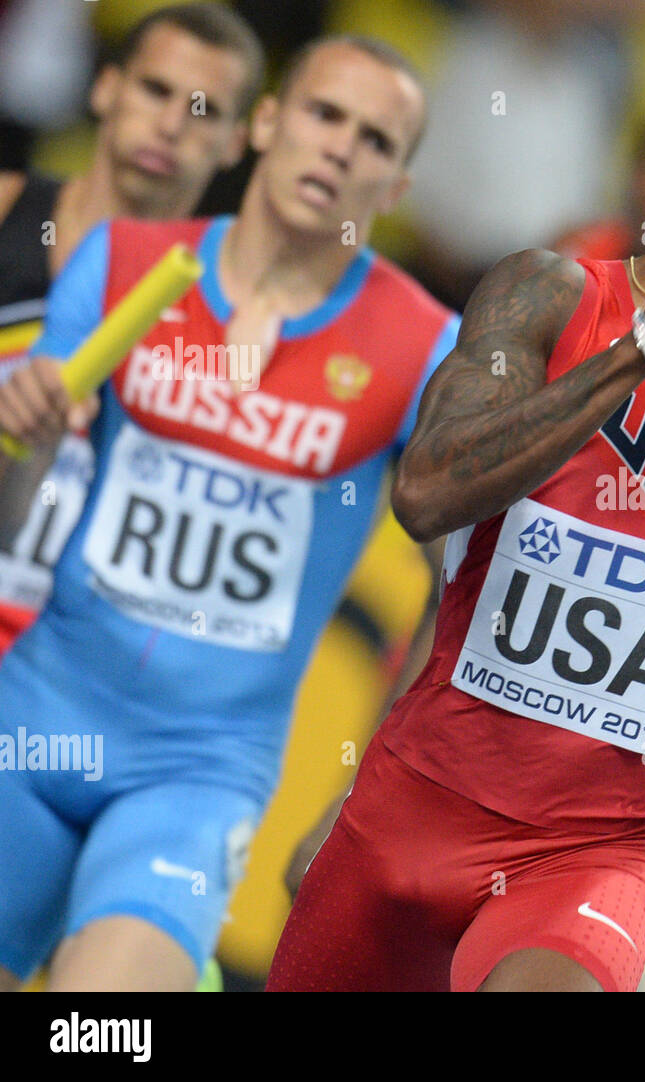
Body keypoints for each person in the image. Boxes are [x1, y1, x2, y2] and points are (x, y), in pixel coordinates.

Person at [269, 53, 645, 993]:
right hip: (421, 796)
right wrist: (644, 350)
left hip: (611, 842)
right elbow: (427, 496)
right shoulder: (548, 297)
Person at [0, 34, 458, 992]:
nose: (339, 148)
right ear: (264, 123)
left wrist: (368, 791)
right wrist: (23, 439)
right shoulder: (127, 262)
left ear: (398, 186)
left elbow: (462, 582)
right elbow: (13, 517)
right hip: (34, 717)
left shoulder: (422, 345)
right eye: (324, 114)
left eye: (375, 140)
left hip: (197, 773)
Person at [0, 2, 264, 652]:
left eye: (203, 109)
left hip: (73, 665)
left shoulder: (237, 327)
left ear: (237, 140)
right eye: (155, 90)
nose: (172, 124)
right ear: (106, 87)